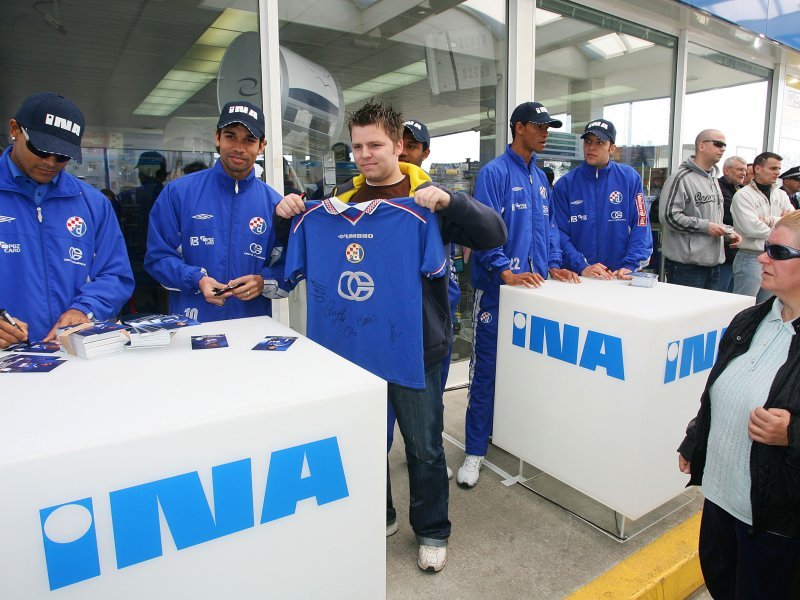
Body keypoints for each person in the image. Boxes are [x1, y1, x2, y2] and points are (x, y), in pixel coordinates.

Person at [275, 100, 507, 573]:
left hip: (418, 346)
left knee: (423, 444)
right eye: (357, 146)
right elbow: (283, 255)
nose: (365, 155)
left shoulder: (426, 199)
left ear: (399, 145)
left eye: (375, 145)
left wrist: (450, 202)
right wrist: (286, 215)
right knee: (365, 439)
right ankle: (378, 513)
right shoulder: (340, 202)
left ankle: (433, 529)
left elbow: (493, 234)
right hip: (353, 349)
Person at [677, 210, 800, 599]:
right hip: (720, 500)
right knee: (722, 584)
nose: (762, 257)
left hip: (775, 523)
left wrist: (792, 433)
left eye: (778, 251)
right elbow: (717, 391)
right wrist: (696, 440)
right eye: (765, 248)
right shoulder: (749, 319)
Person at [459, 101, 580, 489]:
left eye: (548, 126)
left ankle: (513, 436)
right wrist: (504, 270)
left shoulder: (541, 178)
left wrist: (556, 263)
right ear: (518, 128)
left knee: (527, 372)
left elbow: (547, 231)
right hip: (498, 292)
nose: (546, 132)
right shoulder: (494, 173)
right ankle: (475, 450)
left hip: (533, 291)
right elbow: (481, 229)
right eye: (539, 126)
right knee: (487, 373)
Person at [0, 92, 133, 348]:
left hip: (72, 355)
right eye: (40, 150)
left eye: (62, 156)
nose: (50, 163)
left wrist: (85, 309)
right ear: (15, 130)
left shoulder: (93, 203)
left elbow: (115, 274)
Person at [145, 100, 285, 323]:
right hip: (192, 326)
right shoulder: (177, 194)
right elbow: (157, 258)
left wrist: (263, 281)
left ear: (261, 146)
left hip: (252, 329)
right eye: (231, 136)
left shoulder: (275, 205)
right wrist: (196, 280)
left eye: (249, 140)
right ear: (217, 137)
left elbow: (289, 265)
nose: (239, 147)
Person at [552, 118, 652, 280]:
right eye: (588, 141)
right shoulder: (565, 185)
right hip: (579, 277)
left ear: (612, 148)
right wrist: (581, 265)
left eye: (600, 142)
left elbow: (641, 223)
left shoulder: (629, 178)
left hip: (619, 276)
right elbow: (558, 232)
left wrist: (630, 265)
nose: (591, 147)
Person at [659, 129, 741, 289]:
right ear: (701, 146)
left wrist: (728, 232)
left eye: (724, 145)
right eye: (718, 144)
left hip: (713, 264)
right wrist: (705, 226)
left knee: (707, 313)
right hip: (686, 267)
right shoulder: (681, 177)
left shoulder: (713, 180)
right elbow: (668, 216)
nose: (722, 149)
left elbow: (713, 219)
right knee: (684, 312)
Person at [732, 152, 794, 301]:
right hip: (751, 255)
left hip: (775, 257)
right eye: (773, 168)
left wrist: (769, 220)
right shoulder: (743, 195)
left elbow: (793, 224)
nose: (777, 173)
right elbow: (751, 228)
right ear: (758, 169)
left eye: (778, 169)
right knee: (743, 306)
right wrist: (781, 222)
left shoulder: (781, 195)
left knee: (766, 307)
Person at [119, 150, 169, 314]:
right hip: (169, 274)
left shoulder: (125, 198)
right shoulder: (174, 196)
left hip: (134, 270)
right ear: (163, 174)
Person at [716, 156, 748, 292]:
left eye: (745, 170)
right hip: (723, 252)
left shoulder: (742, 190)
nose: (744, 173)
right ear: (726, 171)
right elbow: (732, 216)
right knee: (720, 294)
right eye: (739, 169)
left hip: (735, 253)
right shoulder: (718, 188)